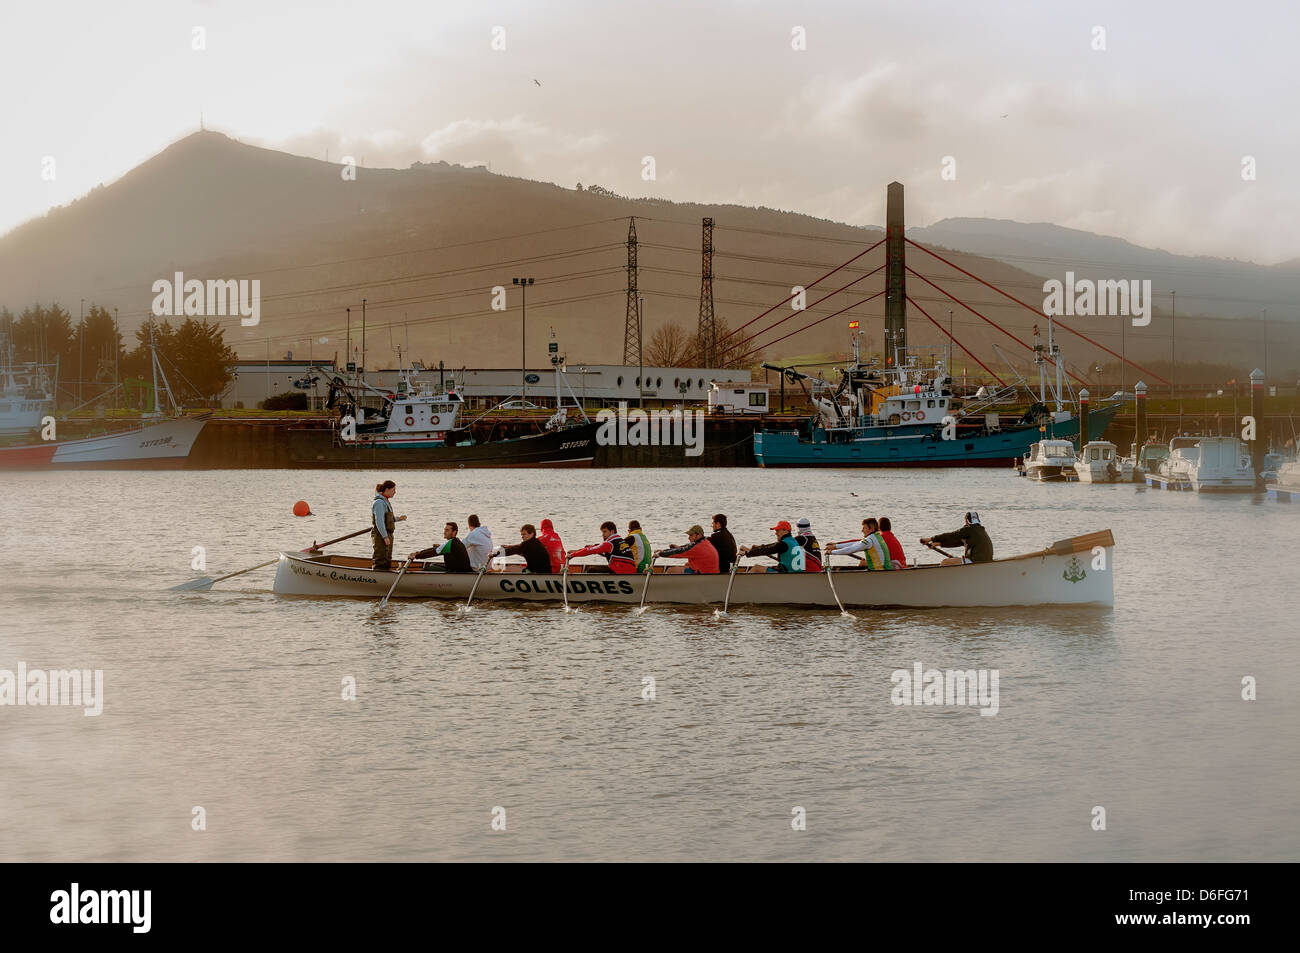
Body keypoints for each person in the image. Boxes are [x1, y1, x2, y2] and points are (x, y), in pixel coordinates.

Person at [921, 511, 994, 566]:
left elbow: (952, 535)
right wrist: (939, 543)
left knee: (945, 562)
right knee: (953, 561)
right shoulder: (980, 530)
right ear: (978, 520)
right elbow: (958, 542)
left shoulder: (969, 529)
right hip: (985, 561)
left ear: (966, 521)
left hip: (975, 562)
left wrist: (931, 539)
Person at [567, 521, 638, 573]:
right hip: (629, 570)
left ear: (612, 531)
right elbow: (594, 548)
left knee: (590, 571)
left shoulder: (609, 544)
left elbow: (590, 550)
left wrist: (572, 555)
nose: (603, 534)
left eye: (605, 532)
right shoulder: (620, 540)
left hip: (622, 571)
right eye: (602, 532)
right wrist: (577, 551)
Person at [740, 520, 807, 572]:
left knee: (756, 568)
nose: (775, 533)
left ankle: (742, 587)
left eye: (778, 530)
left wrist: (746, 553)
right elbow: (769, 546)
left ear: (786, 531)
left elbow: (766, 550)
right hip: (796, 572)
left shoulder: (783, 544)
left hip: (788, 574)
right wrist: (753, 549)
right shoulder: (792, 541)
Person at [825, 518, 892, 570]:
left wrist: (831, 552)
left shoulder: (869, 540)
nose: (862, 530)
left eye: (864, 528)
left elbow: (851, 549)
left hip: (878, 572)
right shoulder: (877, 536)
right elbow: (856, 544)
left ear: (871, 529)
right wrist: (835, 546)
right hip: (884, 569)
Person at [370, 480, 405, 571]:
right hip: (381, 535)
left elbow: (388, 519)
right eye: (393, 490)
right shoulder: (379, 502)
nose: (395, 492)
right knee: (381, 558)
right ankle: (378, 577)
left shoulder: (385, 501)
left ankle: (386, 575)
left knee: (387, 558)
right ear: (387, 489)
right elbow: (380, 522)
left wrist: (398, 519)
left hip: (388, 534)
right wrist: (385, 537)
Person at [655, 525, 719, 573]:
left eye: (691, 535)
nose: (689, 538)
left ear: (699, 535)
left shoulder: (697, 547)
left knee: (671, 570)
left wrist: (661, 554)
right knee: (687, 564)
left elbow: (680, 552)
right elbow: (685, 548)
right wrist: (664, 551)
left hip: (704, 574)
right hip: (709, 572)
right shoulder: (705, 542)